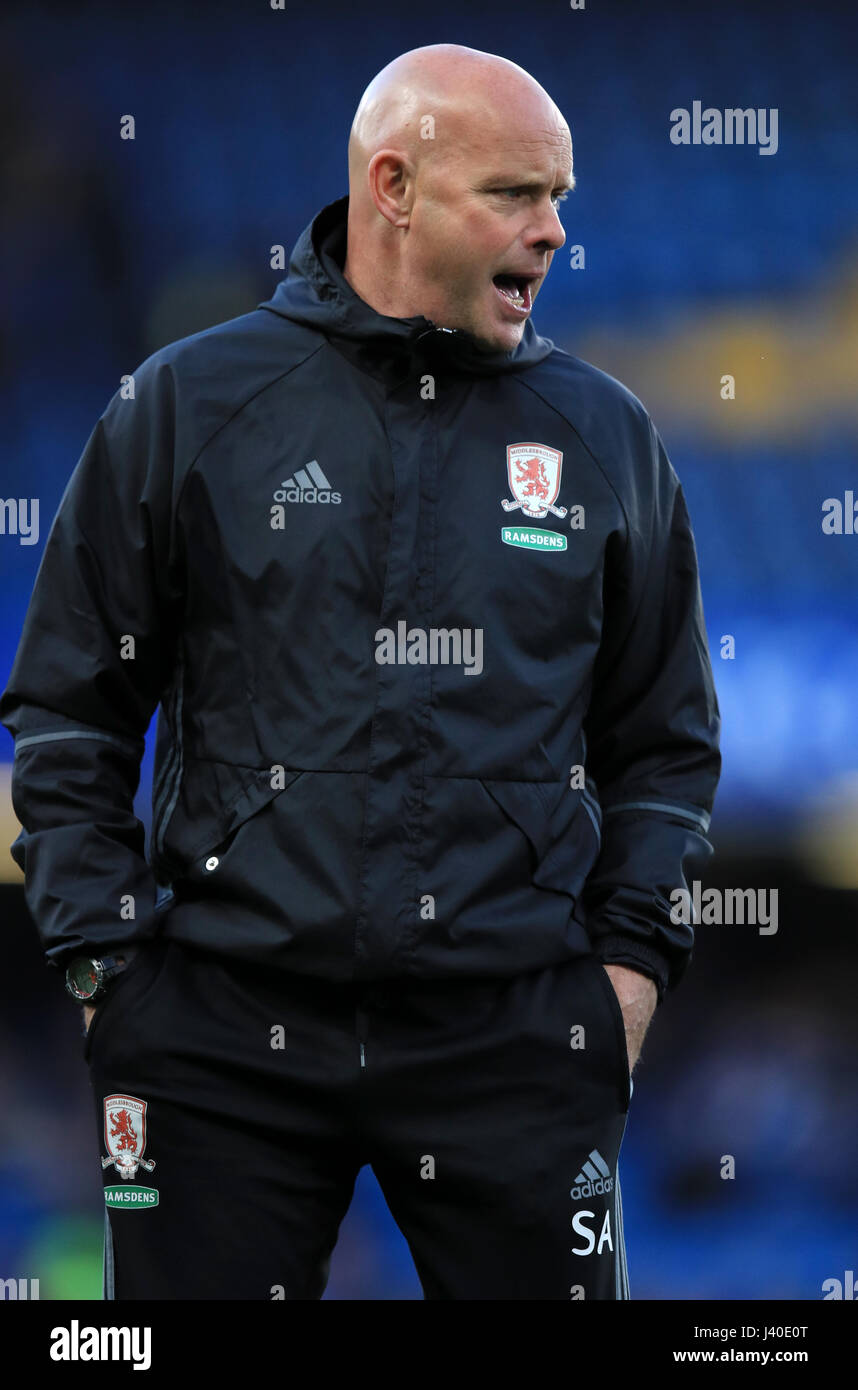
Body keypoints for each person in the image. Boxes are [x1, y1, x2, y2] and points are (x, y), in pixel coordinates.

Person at [0, 43, 720, 1300]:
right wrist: (105, 969)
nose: (553, 233)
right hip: (221, 1043)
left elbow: (664, 745)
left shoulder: (606, 438)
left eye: (561, 198)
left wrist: (626, 983)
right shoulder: (185, 406)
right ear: (393, 185)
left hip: (517, 1035)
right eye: (515, 193)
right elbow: (68, 712)